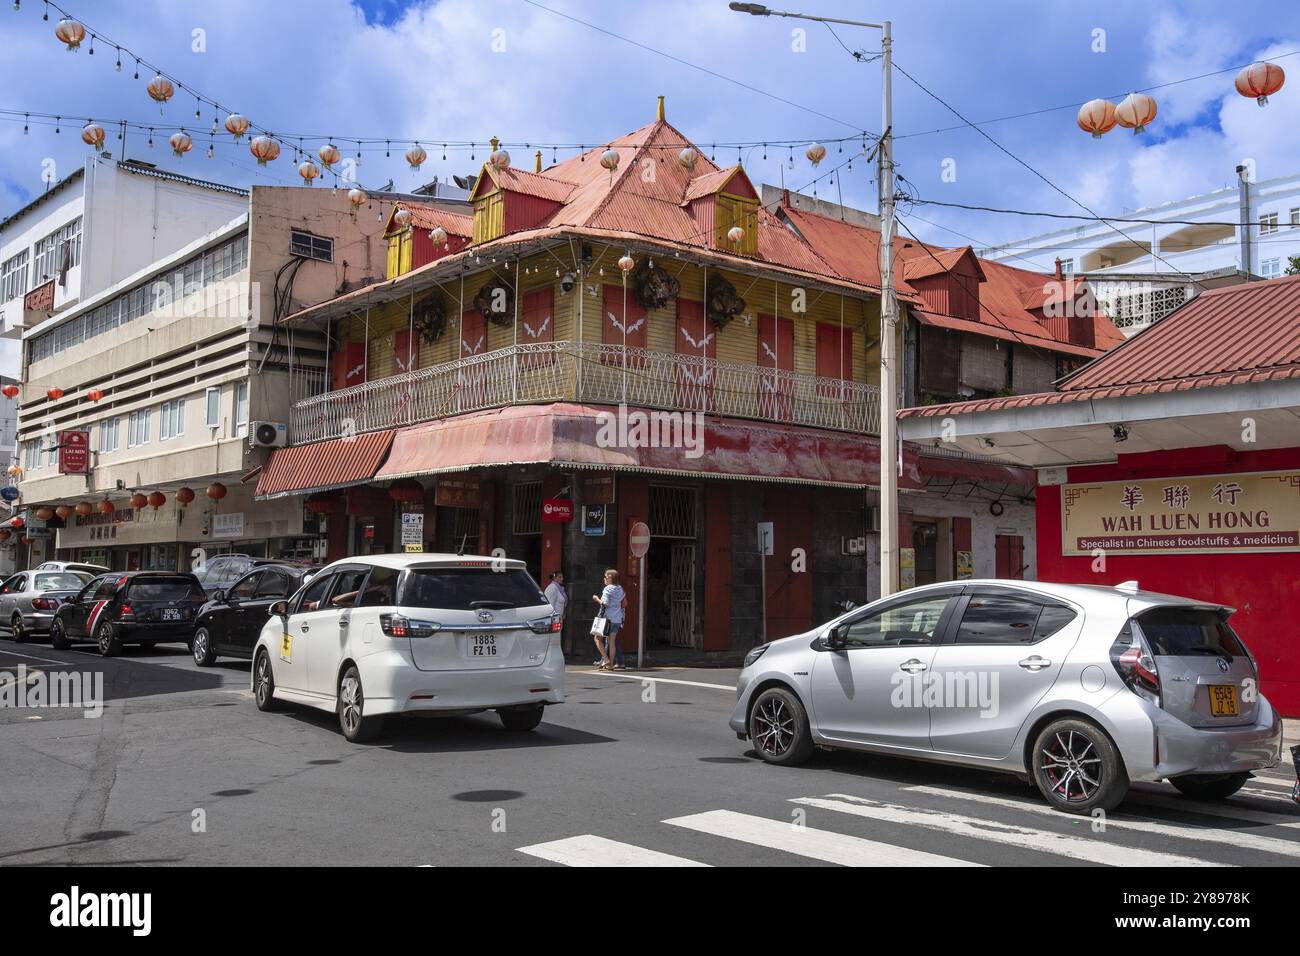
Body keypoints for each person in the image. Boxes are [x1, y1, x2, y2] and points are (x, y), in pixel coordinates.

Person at [591, 568, 626, 670]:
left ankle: (606, 660)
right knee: (612, 642)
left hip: (607, 619)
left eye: (606, 577)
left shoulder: (607, 589)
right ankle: (610, 664)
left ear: (610, 578)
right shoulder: (620, 588)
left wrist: (596, 598)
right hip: (617, 619)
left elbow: (605, 603)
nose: (604, 579)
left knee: (597, 639)